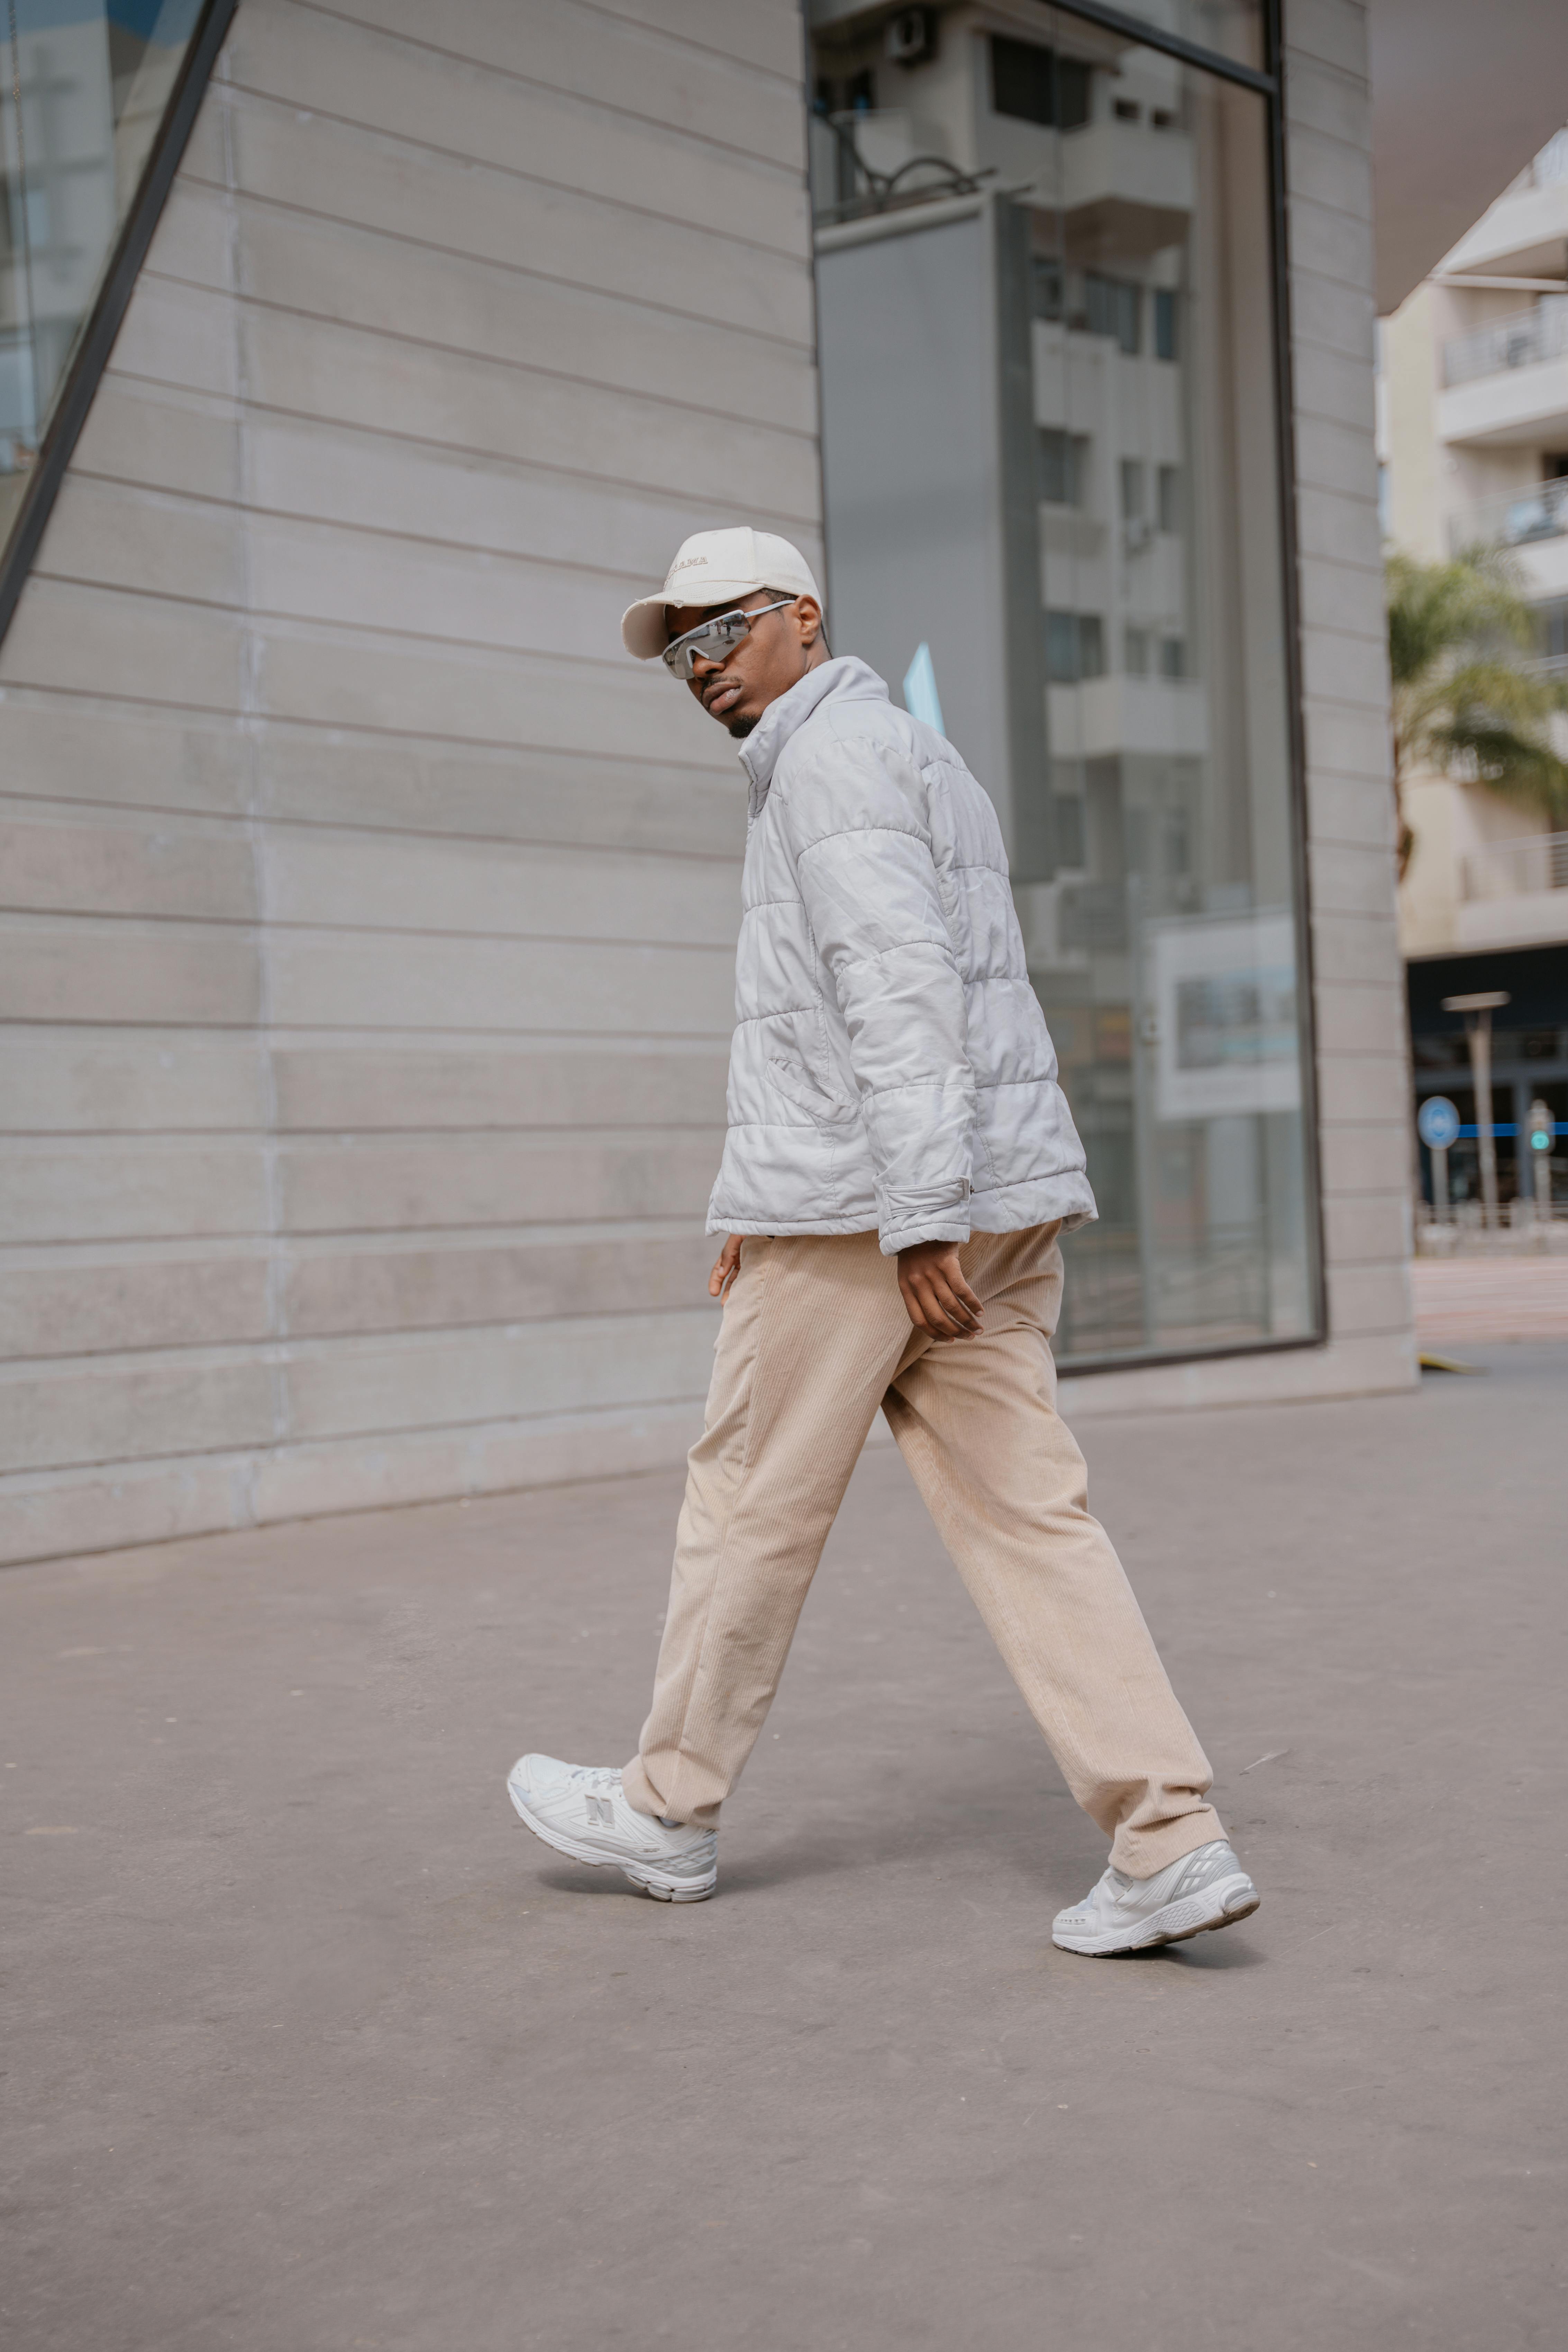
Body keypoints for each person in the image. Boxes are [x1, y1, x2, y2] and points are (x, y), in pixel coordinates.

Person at [508, 527, 1259, 1956]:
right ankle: (1166, 1835)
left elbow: (896, 988)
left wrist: (915, 1216)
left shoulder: (834, 760)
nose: (697, 668)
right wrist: (758, 1201)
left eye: (717, 632)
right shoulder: (902, 752)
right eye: (677, 650)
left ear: (800, 616)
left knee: (746, 1495)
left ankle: (666, 1808)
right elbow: (861, 1001)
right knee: (1029, 1514)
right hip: (962, 1190)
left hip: (883, 1209)